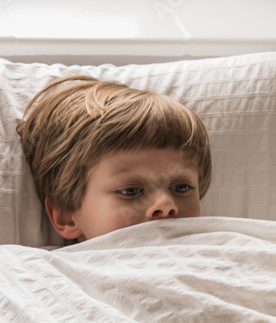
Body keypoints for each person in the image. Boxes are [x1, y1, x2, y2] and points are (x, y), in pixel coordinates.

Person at [17, 75, 211, 244]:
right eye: (131, 191)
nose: (167, 205)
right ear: (67, 217)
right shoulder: (46, 268)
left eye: (181, 188)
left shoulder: (225, 248)